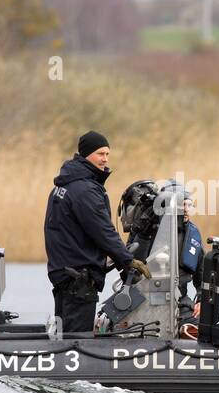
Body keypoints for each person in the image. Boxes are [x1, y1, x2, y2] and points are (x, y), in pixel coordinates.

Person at [44, 131, 150, 333]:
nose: (105, 159)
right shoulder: (85, 190)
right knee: (76, 340)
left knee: (64, 333)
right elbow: (103, 231)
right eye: (100, 154)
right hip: (78, 279)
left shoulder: (65, 184)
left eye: (108, 154)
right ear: (85, 154)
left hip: (63, 273)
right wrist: (127, 260)